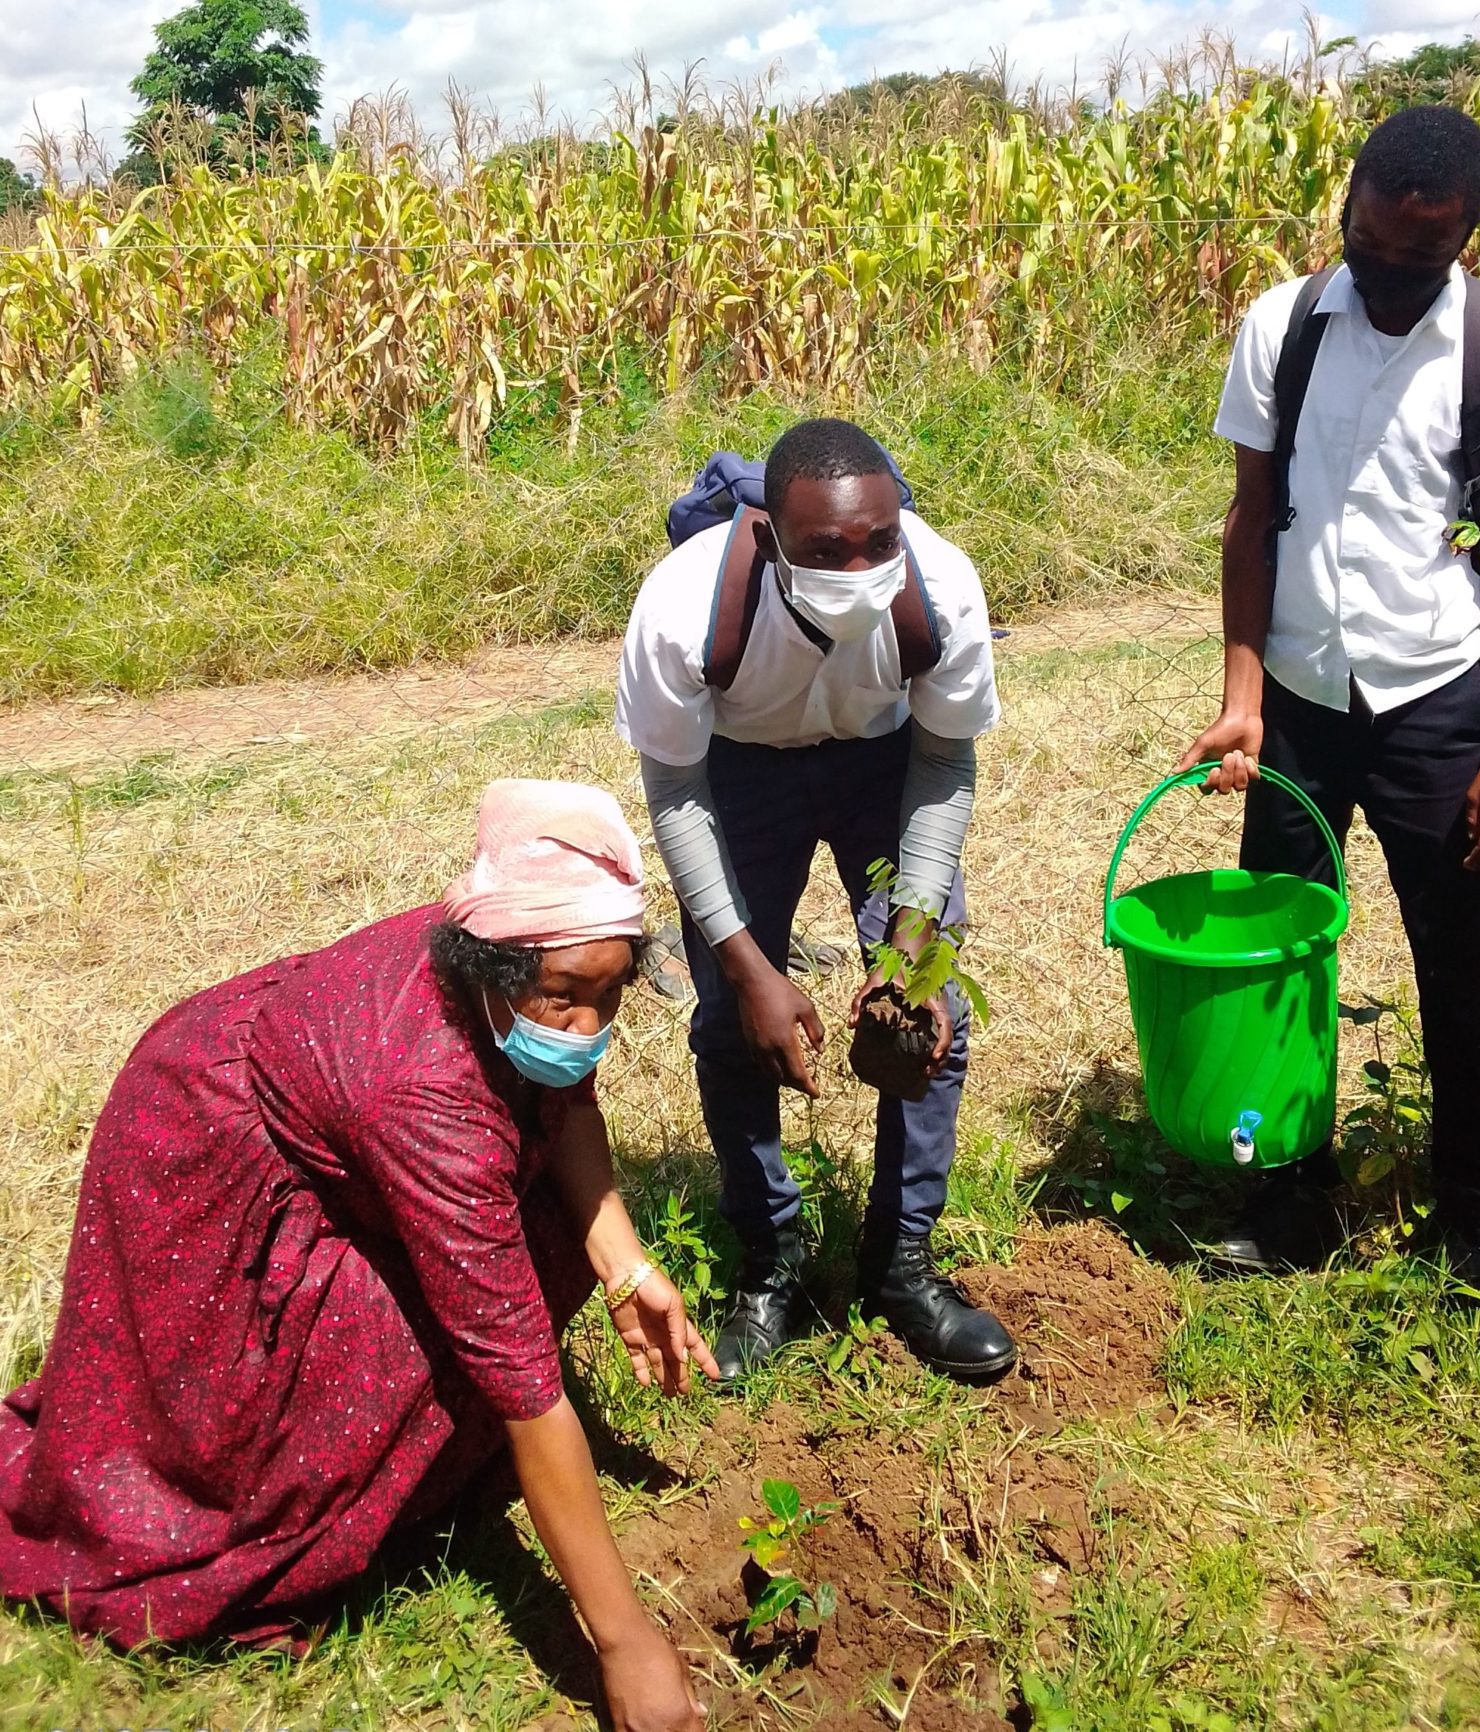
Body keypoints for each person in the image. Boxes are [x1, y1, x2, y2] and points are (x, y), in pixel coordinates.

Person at [0, 780, 713, 1732]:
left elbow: (565, 1100)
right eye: (565, 999)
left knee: (535, 1243)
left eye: (610, 995)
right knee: (288, 1419)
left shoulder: (531, 964)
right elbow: (520, 1381)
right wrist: (626, 1645)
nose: (588, 1026)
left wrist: (628, 1268)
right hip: (205, 1153)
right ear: (491, 970)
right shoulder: (424, 1094)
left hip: (327, 1114)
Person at [1178, 105, 1480, 1277]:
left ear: (1465, 233)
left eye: (1423, 253)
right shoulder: (1281, 326)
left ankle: (1468, 1208)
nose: (1392, 272)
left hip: (1435, 696)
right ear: (1345, 208)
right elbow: (1249, 519)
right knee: (1284, 951)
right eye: (1373, 244)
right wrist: (1242, 688)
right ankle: (1288, 1193)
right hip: (1295, 697)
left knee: (1452, 956)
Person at [614, 416, 1015, 1383]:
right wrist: (750, 968)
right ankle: (773, 1264)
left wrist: (910, 936)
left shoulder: (941, 589)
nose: (860, 565)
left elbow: (944, 759)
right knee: (728, 1025)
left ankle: (901, 1262)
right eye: (825, 549)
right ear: (768, 533)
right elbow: (675, 789)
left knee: (928, 1010)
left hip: (887, 764)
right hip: (739, 773)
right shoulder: (683, 607)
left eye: (879, 541)